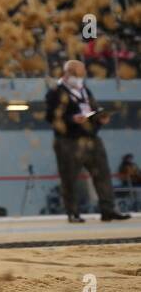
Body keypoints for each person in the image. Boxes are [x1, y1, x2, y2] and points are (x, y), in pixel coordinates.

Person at [46, 59, 131, 222]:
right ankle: (73, 212)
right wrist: (72, 119)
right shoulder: (55, 92)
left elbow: (92, 110)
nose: (80, 78)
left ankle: (108, 209)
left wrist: (100, 119)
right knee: (69, 178)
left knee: (103, 174)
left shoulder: (85, 90)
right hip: (68, 141)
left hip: (91, 138)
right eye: (77, 75)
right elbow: (51, 117)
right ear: (67, 74)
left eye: (82, 75)